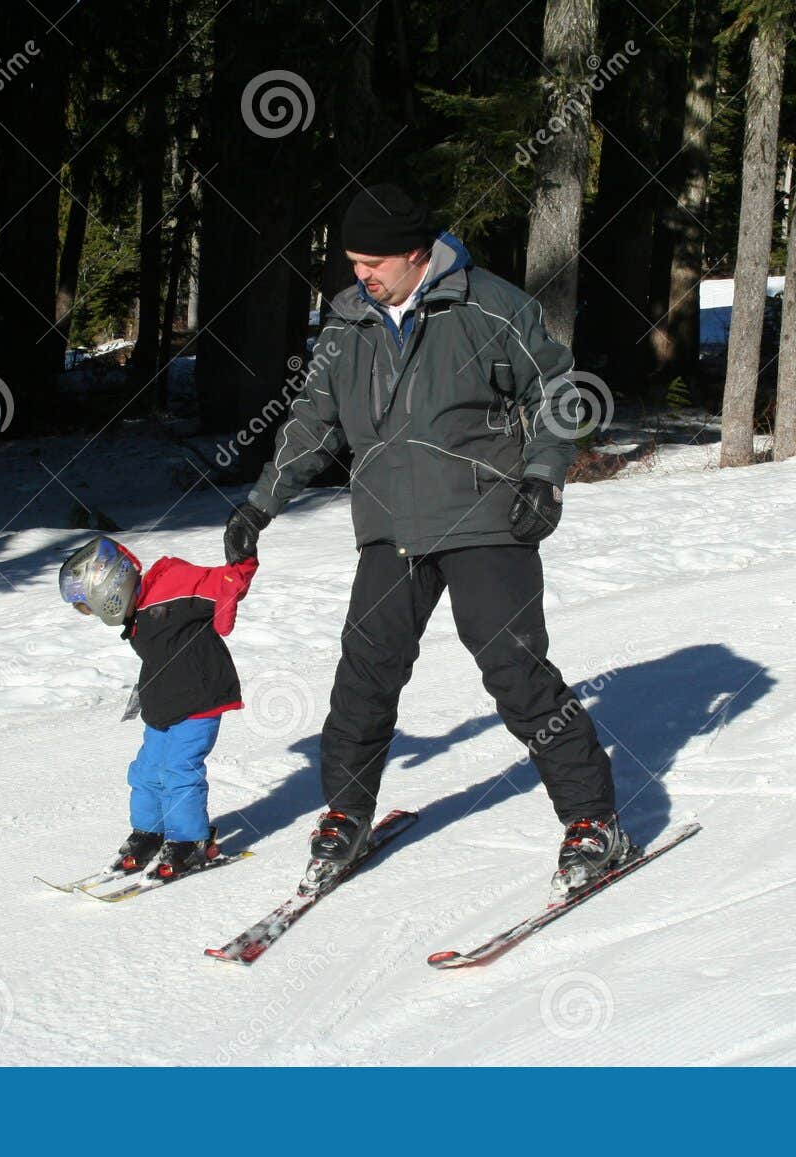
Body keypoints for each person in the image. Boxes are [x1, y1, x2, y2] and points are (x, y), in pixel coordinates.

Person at [223, 184, 632, 898]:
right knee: (365, 674)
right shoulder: (347, 323)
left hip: (486, 519)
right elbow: (313, 422)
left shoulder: (491, 306)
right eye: (353, 261)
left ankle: (593, 819)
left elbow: (557, 389)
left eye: (373, 261)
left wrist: (543, 475)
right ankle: (346, 812)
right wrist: (260, 505)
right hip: (390, 525)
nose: (361, 275)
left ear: (418, 253)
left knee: (514, 670)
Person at [58, 535, 257, 878]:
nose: (92, 614)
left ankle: (189, 841)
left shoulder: (173, 581)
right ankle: (149, 832)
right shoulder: (137, 609)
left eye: (88, 605)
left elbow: (227, 581)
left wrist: (242, 556)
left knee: (178, 770)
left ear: (108, 588)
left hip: (199, 698)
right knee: (146, 771)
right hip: (163, 703)